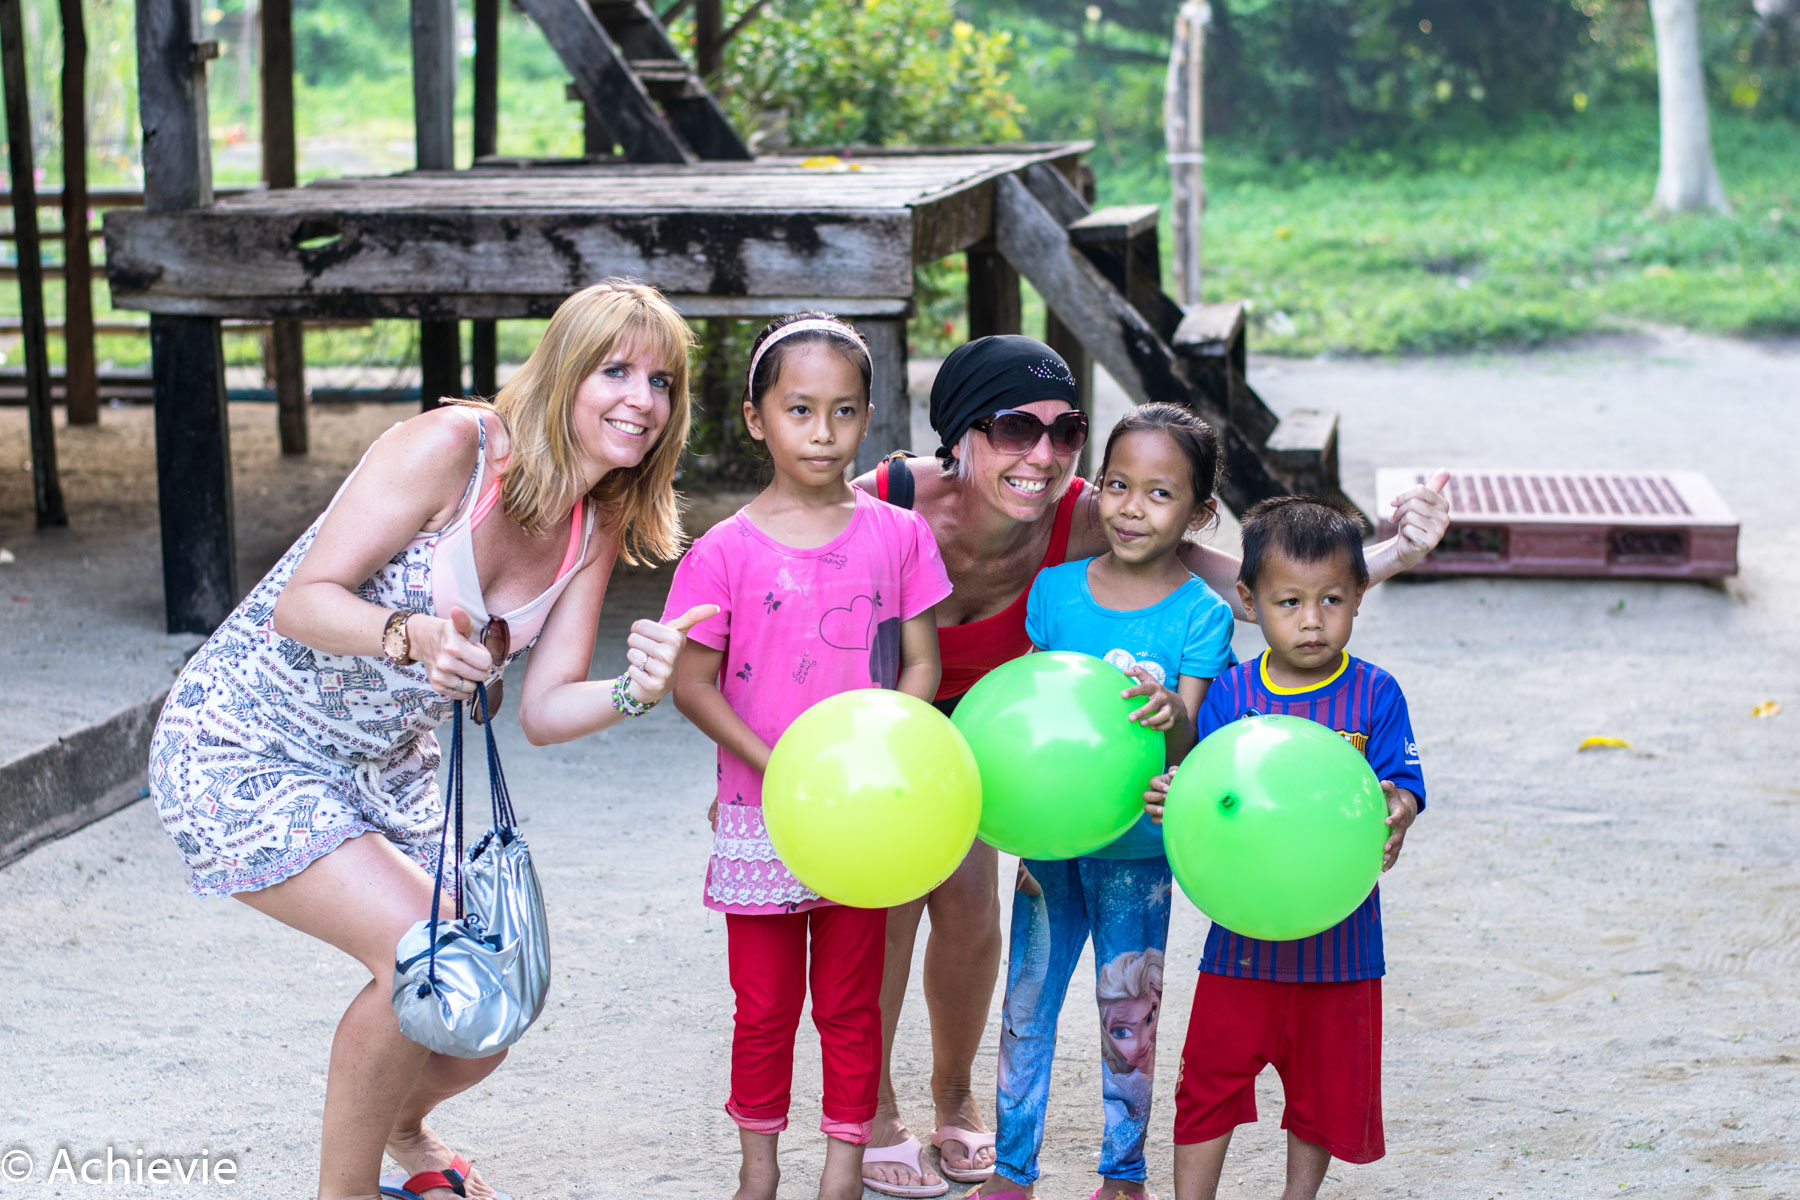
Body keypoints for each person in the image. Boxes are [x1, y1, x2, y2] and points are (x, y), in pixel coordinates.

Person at [147, 281, 714, 1200]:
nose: (642, 401)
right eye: (617, 370)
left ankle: (405, 1126)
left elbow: (545, 708)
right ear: (567, 371)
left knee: (496, 989)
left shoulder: (595, 519)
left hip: (387, 768)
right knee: (426, 951)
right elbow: (303, 602)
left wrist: (637, 691)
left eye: (662, 381)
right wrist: (409, 636)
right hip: (244, 743)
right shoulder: (454, 449)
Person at [852, 335, 1451, 1196]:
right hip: (920, 729)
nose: (1046, 454)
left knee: (1065, 975)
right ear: (961, 431)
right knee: (921, 931)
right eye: (1017, 426)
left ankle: (1056, 1146)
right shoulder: (914, 510)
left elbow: (1264, 585)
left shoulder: (1129, 549)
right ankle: (924, 1133)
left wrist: (1390, 552)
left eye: (1066, 434)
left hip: (1102, 823)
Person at [663, 313, 954, 1200]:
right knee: (763, 1012)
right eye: (798, 410)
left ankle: (841, 1175)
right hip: (761, 820)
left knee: (850, 1007)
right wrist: (782, 764)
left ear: (869, 418)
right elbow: (692, 682)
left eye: (843, 412)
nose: (822, 433)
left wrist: (873, 751)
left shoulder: (899, 536)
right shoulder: (720, 554)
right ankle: (758, 1177)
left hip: (865, 827)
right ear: (757, 418)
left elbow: (922, 664)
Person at [971, 403, 1236, 1200]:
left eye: (1159, 493)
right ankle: (1012, 1170)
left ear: (1199, 513)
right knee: (1025, 1010)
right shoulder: (1053, 594)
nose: (1130, 507)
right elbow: (1030, 716)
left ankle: (1124, 1173)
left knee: (1131, 1018)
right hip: (1048, 848)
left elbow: (1186, 741)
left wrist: (1173, 714)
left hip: (1137, 855)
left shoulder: (1202, 613)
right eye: (1118, 485)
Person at [1142, 495, 1425, 1200]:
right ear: (1249, 599)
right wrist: (1172, 798)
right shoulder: (1234, 696)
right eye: (1289, 600)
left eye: (1331, 599)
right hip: (1241, 946)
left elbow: (1404, 781)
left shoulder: (1376, 695)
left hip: (1344, 947)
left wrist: (1399, 807)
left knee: (1321, 1099)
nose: (1310, 619)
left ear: (1360, 596)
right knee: (1206, 1083)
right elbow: (1209, 795)